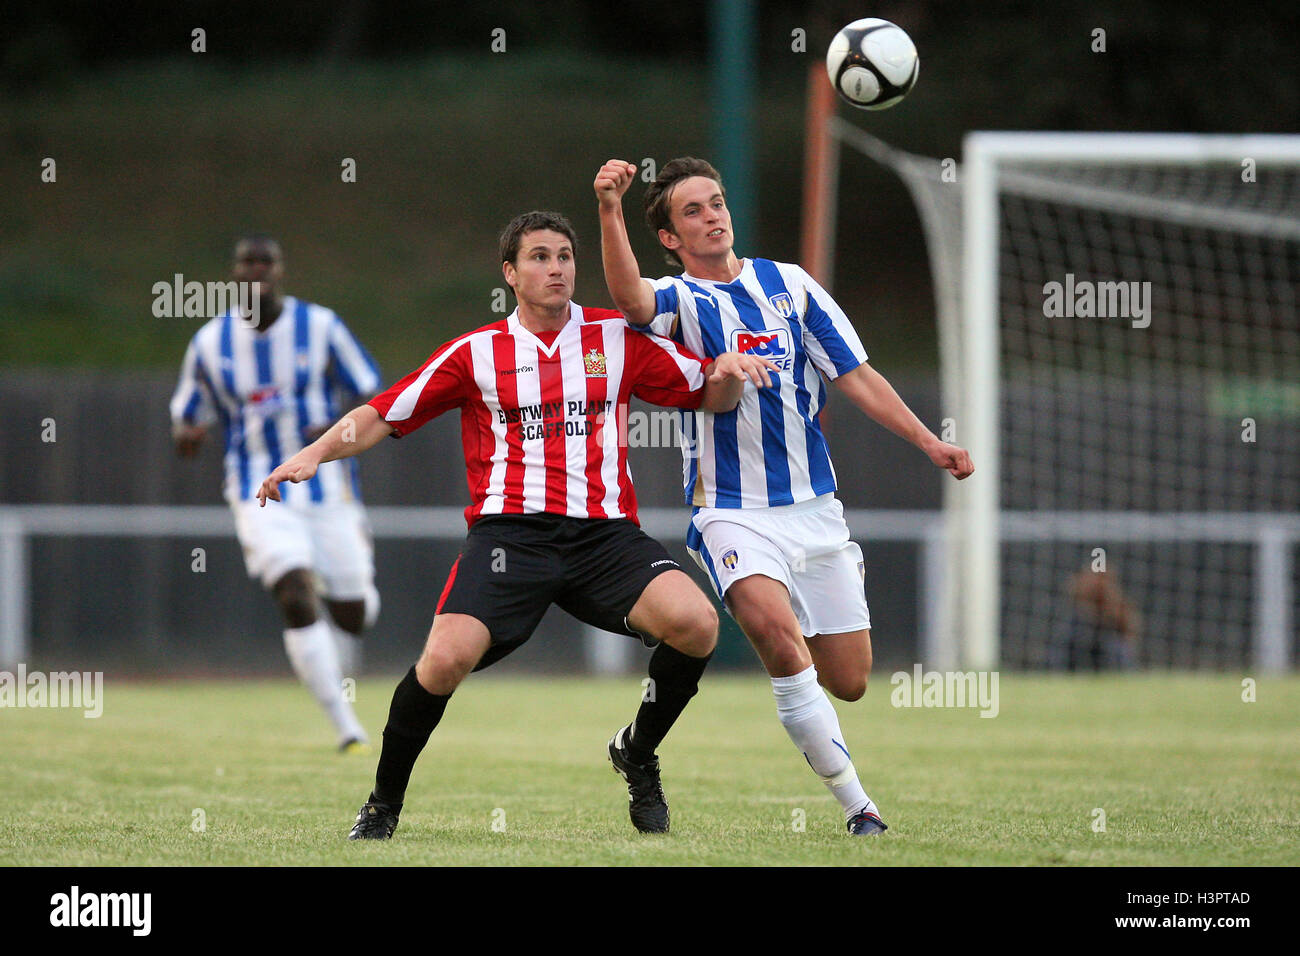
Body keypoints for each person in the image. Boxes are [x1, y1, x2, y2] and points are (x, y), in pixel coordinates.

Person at [256, 211, 778, 840]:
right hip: (510, 540)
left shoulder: (617, 338)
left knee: (696, 625)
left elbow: (706, 393)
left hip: (604, 537)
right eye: (538, 257)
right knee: (443, 661)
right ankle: (382, 804)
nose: (554, 268)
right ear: (510, 273)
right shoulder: (475, 353)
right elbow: (383, 414)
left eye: (563, 256)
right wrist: (313, 452)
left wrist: (725, 373)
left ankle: (637, 753)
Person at [594, 157, 975, 836]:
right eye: (693, 211)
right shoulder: (683, 301)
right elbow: (630, 300)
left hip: (815, 511)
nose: (712, 215)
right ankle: (862, 810)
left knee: (850, 678)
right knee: (778, 638)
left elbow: (856, 376)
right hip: (730, 511)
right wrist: (608, 208)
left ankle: (638, 741)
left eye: (716, 202)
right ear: (672, 239)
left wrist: (929, 442)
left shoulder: (790, 286)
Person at [170, 234, 380, 753]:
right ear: (235, 274)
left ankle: (354, 579)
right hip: (255, 487)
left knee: (352, 616)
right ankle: (344, 724)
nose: (256, 272)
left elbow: (371, 390)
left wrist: (335, 434)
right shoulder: (209, 343)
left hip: (326, 485)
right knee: (291, 589)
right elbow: (185, 420)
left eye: (266, 263)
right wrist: (188, 437)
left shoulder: (322, 326)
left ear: (281, 271)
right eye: (247, 263)